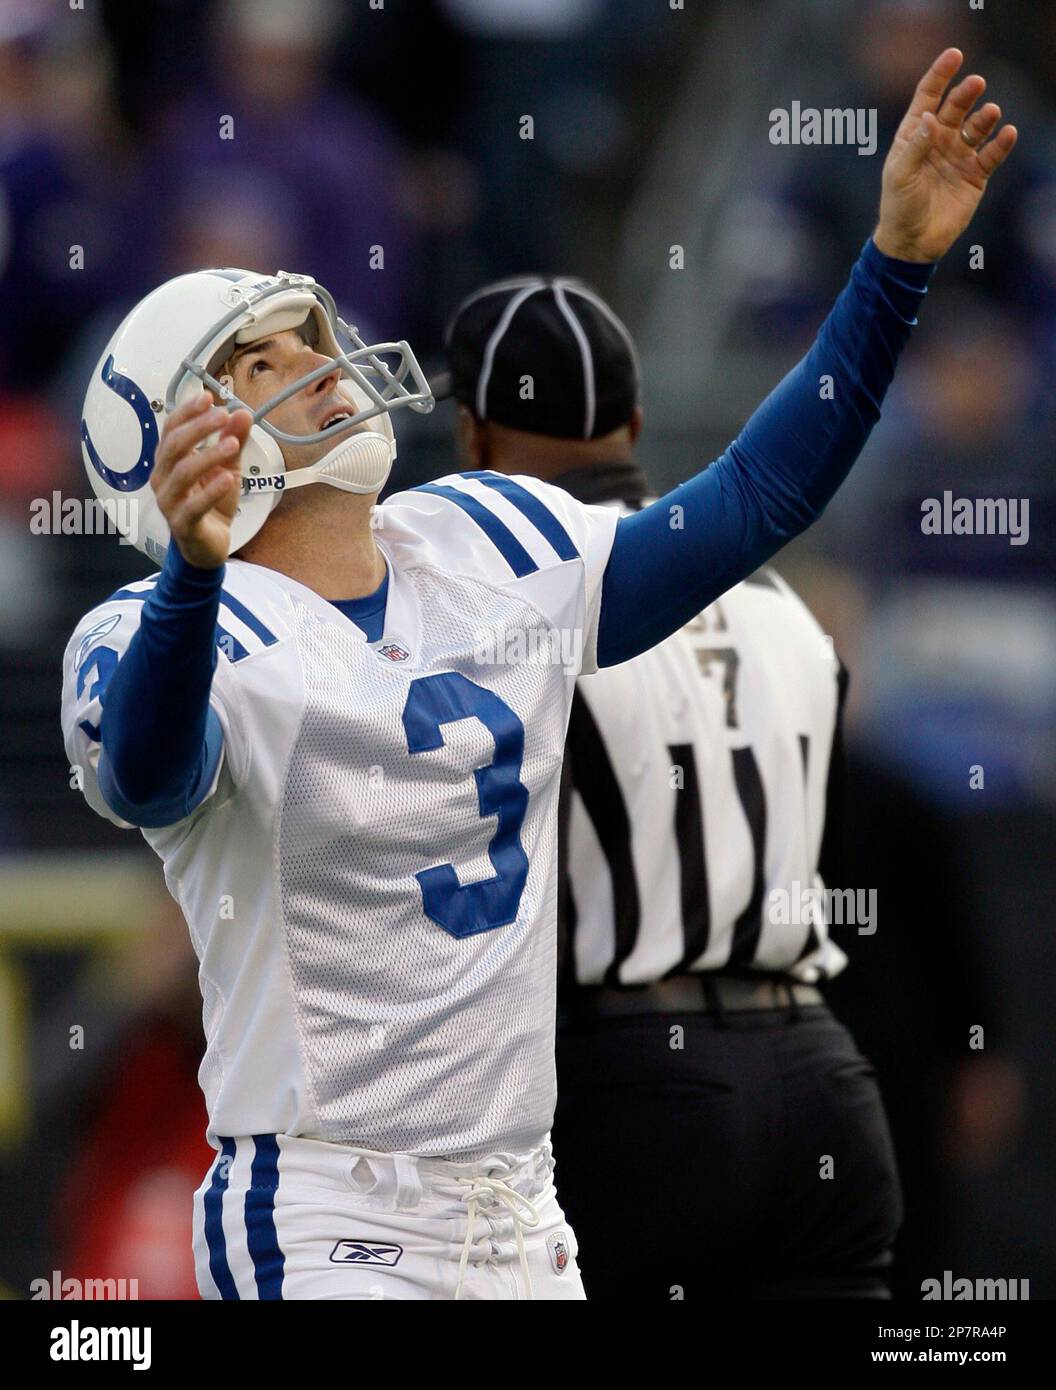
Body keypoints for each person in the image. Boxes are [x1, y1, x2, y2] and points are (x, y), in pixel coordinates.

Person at [59, 51, 1014, 1299]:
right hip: (323, 1198)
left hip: (522, 1208)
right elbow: (147, 767)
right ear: (180, 444)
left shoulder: (486, 535)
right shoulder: (161, 628)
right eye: (261, 361)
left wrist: (892, 267)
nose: (320, 357)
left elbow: (752, 501)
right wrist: (192, 572)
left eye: (310, 332)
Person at [444, 278, 894, 1299]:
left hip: (643, 1078)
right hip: (822, 1072)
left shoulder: (514, 615)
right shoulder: (780, 602)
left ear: (472, 436)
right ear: (635, 422)